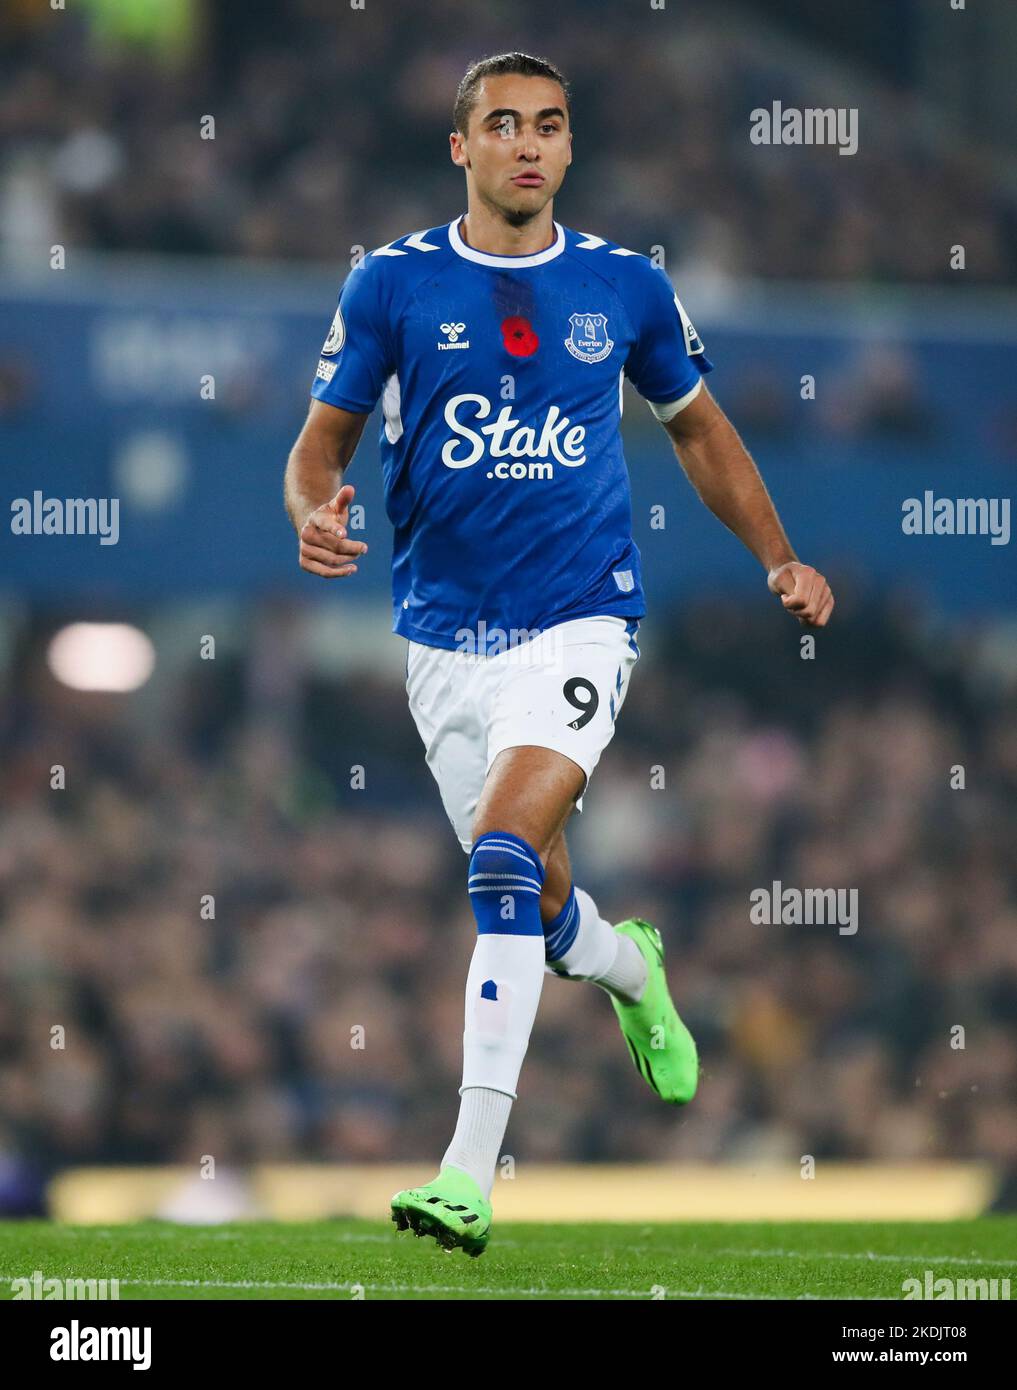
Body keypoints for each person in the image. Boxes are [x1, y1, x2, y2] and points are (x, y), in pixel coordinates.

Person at [283, 51, 833, 1257]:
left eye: (551, 126)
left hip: (583, 616)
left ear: (569, 149)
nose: (528, 144)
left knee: (495, 857)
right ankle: (631, 968)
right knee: (535, 900)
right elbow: (317, 445)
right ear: (462, 148)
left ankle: (467, 1172)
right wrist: (315, 510)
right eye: (502, 125)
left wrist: (777, 557)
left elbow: (701, 433)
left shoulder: (626, 287)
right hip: (442, 641)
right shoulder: (390, 285)